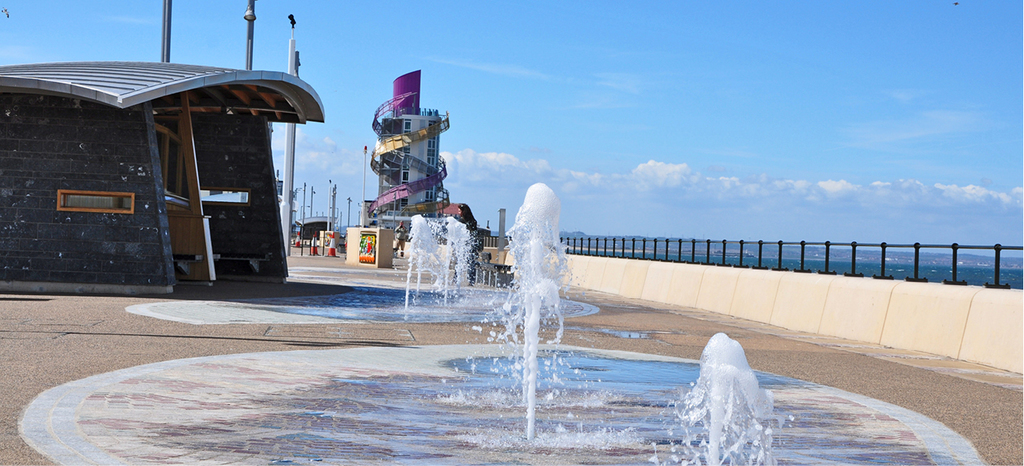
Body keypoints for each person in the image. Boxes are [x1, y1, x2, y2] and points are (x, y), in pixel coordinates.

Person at [458, 204, 483, 285]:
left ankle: (470, 281)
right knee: (465, 262)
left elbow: (473, 234)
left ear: (463, 211)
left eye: (459, 210)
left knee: (470, 263)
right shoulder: (468, 221)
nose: (458, 212)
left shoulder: (468, 222)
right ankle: (464, 280)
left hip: (469, 245)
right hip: (466, 244)